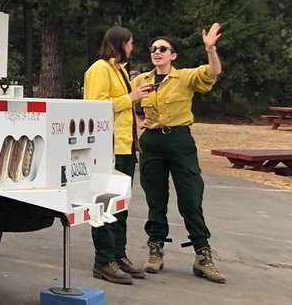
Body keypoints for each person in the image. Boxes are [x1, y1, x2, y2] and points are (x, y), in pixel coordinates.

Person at [134, 24, 225, 284]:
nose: (157, 52)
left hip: (179, 141)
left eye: (163, 49)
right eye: (153, 49)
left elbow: (213, 72)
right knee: (155, 198)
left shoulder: (185, 77)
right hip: (152, 143)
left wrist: (210, 48)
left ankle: (202, 255)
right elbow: (127, 99)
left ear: (173, 55)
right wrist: (138, 118)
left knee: (190, 197)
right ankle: (155, 249)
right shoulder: (142, 80)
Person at [83, 26, 155, 285]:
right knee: (105, 206)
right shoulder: (99, 70)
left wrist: (138, 119)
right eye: (131, 43)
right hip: (107, 148)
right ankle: (103, 260)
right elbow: (96, 107)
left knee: (121, 206)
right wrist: (130, 97)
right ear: (120, 43)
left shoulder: (120, 70)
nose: (133, 47)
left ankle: (118, 254)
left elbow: (122, 105)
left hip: (125, 146)